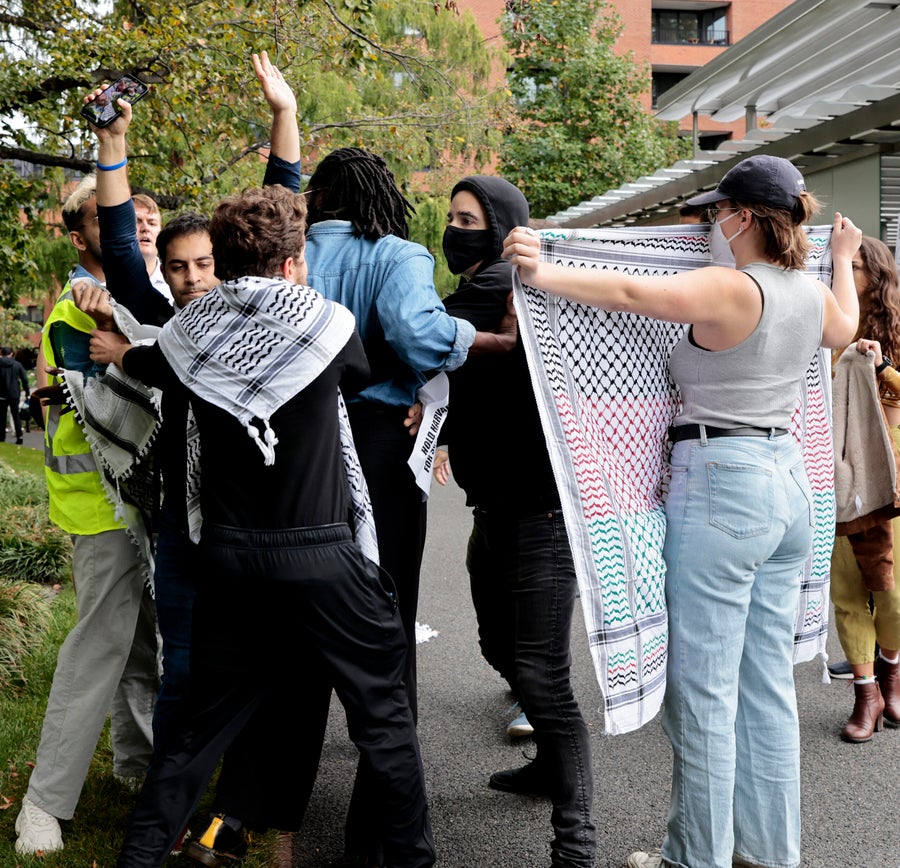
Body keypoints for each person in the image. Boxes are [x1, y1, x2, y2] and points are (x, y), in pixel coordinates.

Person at [503, 154, 862, 868]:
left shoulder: (733, 288)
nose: (710, 224)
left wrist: (543, 270)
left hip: (723, 485)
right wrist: (843, 258)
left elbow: (635, 290)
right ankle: (767, 853)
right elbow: (846, 329)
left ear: (743, 218)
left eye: (716, 213)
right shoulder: (811, 292)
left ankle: (694, 859)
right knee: (765, 692)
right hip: (787, 486)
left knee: (703, 694)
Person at [89, 182, 434, 868]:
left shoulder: (188, 334)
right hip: (321, 558)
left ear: (221, 256)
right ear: (291, 261)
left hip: (229, 561)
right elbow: (363, 372)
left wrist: (119, 352)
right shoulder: (328, 326)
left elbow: (149, 361)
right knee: (384, 725)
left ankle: (142, 857)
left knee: (195, 738)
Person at [81, 51, 329, 865]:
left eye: (204, 266)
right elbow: (122, 246)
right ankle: (174, 814)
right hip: (190, 529)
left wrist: (284, 115)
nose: (190, 280)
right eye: (180, 267)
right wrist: (113, 144)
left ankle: (236, 808)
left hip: (271, 529)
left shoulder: (269, 319)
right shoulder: (167, 321)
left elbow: (282, 207)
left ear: (230, 265)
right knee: (184, 674)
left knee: (272, 676)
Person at [302, 147, 513, 866]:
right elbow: (416, 332)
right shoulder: (397, 254)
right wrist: (478, 341)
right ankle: (381, 831)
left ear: (319, 194)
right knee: (386, 621)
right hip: (378, 442)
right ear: (379, 197)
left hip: (295, 446)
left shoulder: (291, 250)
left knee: (299, 620)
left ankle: (270, 812)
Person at [435, 175, 596, 868]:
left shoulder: (498, 281)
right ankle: (546, 770)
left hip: (541, 511)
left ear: (501, 224)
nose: (454, 228)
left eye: (467, 217)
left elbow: (414, 330)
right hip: (496, 503)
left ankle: (577, 840)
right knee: (502, 648)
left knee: (543, 673)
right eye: (451, 217)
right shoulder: (498, 287)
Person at [14, 175, 160, 857]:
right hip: (104, 506)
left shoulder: (138, 291)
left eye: (131, 207)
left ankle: (136, 765)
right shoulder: (80, 303)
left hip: (134, 501)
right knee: (100, 643)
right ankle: (44, 804)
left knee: (139, 642)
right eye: (104, 216)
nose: (128, 217)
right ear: (79, 237)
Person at [830, 235, 900, 742]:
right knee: (848, 586)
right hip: (838, 468)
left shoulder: (896, 328)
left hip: (894, 468)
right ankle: (866, 693)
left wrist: (880, 368)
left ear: (876, 277)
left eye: (852, 266)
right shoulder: (827, 325)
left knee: (893, 592)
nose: (844, 274)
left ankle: (893, 669)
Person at [0, 346, 29, 444]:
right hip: (14, 394)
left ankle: (2, 437)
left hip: (1, 394)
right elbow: (24, 379)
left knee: (2, 416)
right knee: (15, 415)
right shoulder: (17, 365)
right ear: (11, 353)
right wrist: (27, 393)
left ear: (2, 353)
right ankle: (19, 436)